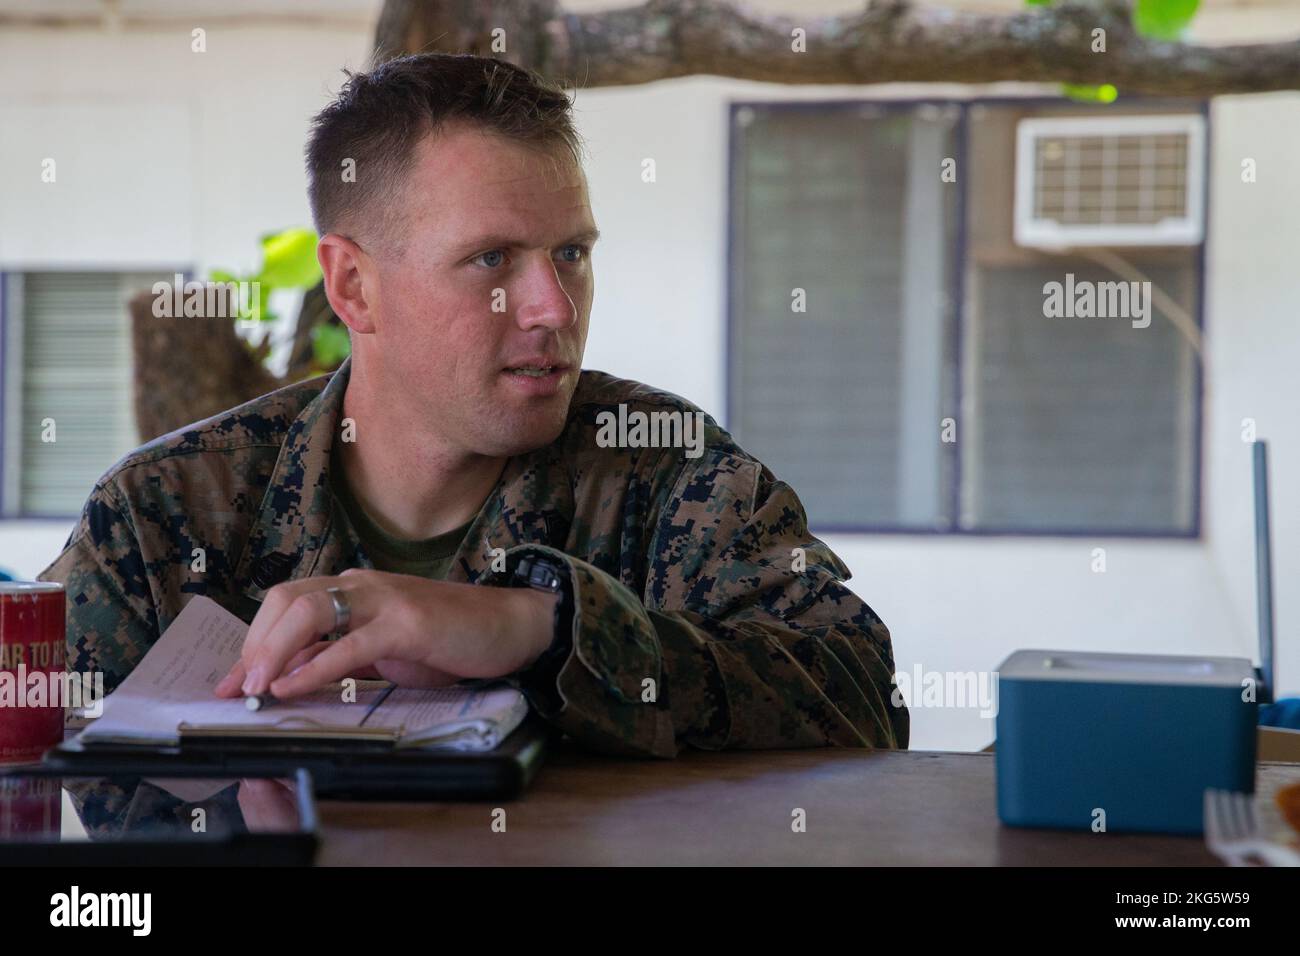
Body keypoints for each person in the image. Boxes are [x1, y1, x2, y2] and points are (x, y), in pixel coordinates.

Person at [39, 52, 908, 757]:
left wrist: (543, 626)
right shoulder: (163, 516)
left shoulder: (665, 469)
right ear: (353, 286)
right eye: (492, 259)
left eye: (570, 253)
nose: (555, 308)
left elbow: (865, 700)